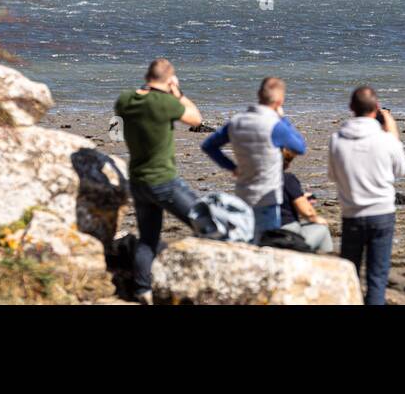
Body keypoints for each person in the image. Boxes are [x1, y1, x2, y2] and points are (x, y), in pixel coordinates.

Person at [114, 58, 205, 304]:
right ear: (169, 79)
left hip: (138, 181)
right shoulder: (164, 102)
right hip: (163, 179)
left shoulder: (125, 100)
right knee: (205, 222)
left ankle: (143, 290)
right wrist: (178, 93)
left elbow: (123, 107)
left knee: (148, 238)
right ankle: (203, 280)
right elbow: (196, 119)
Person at [327, 85, 405, 305]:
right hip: (381, 213)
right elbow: (400, 170)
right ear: (377, 108)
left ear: (351, 108)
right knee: (377, 280)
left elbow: (333, 175)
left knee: (348, 279)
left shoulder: (337, 139)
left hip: (351, 213)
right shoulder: (386, 140)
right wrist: (391, 127)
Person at [201, 77, 306, 237]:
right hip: (267, 195)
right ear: (280, 100)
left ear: (259, 94)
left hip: (243, 193)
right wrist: (283, 118)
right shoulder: (274, 125)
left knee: (247, 239)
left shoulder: (237, 121)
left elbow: (209, 146)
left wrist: (231, 167)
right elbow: (300, 147)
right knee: (266, 244)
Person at [279, 148, 334, 254]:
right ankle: (327, 263)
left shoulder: (256, 179)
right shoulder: (287, 179)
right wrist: (317, 218)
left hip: (261, 232)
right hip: (287, 234)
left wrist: (300, 197)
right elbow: (308, 214)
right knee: (322, 228)